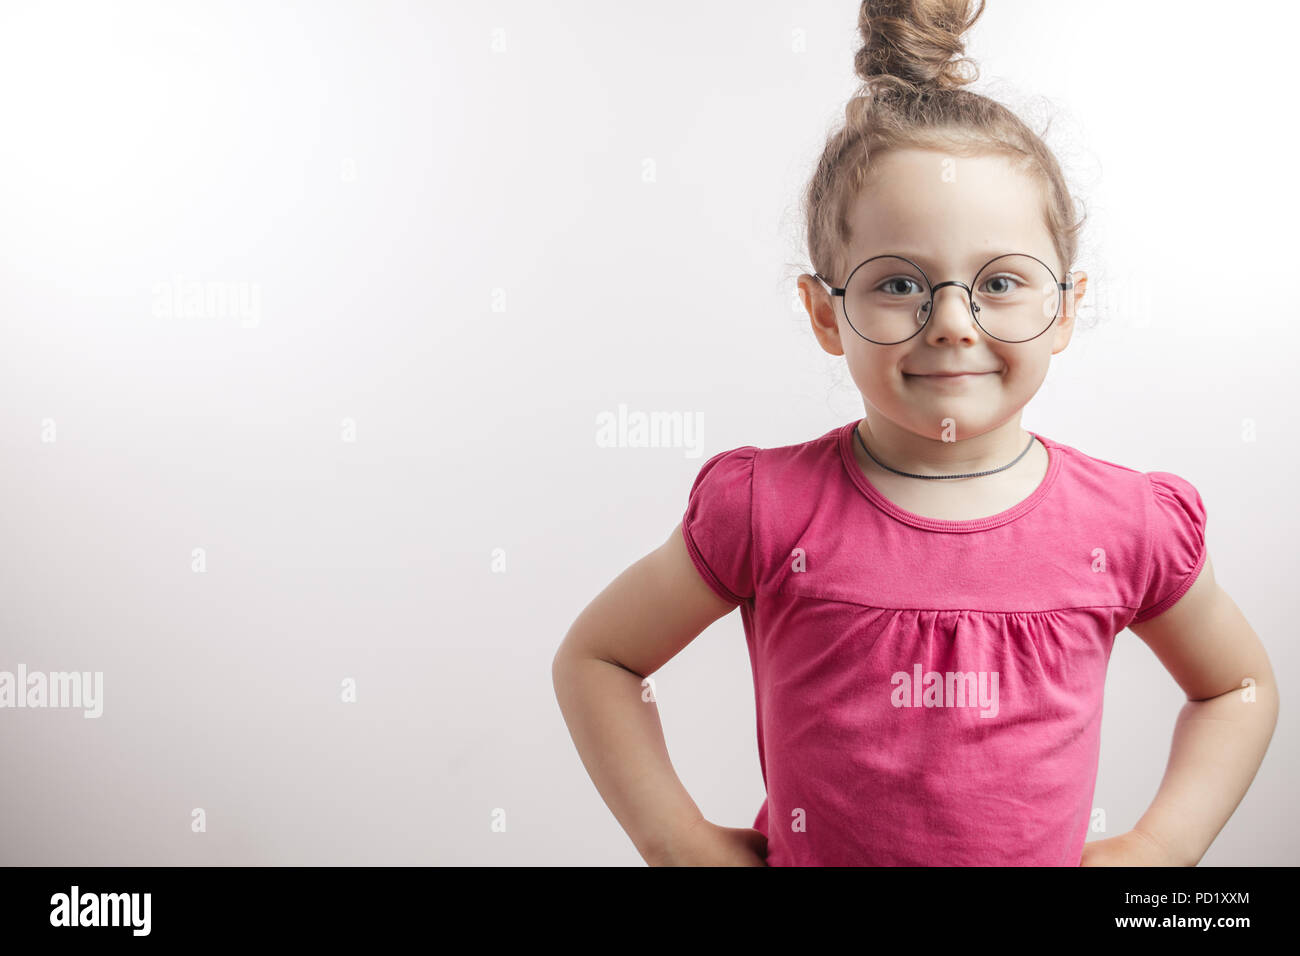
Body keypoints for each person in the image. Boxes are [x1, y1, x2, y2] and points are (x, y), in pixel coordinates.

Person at [551, 0, 1278, 866]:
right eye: (898, 284)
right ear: (826, 313)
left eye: (1001, 281)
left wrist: (1161, 848)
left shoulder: (1124, 524)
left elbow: (1238, 686)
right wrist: (677, 845)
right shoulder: (767, 510)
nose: (953, 323)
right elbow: (600, 660)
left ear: (1065, 311)